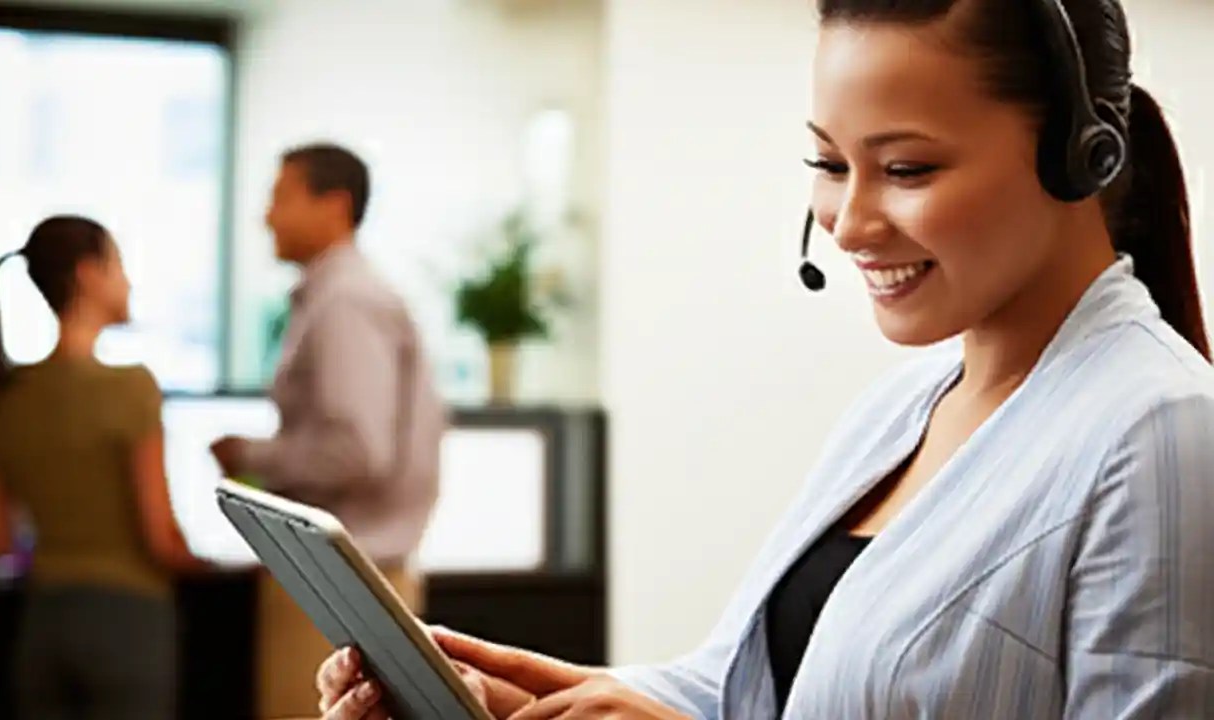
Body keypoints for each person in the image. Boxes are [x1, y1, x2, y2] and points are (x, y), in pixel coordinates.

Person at [317, 0, 1214, 717]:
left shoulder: (1164, 432)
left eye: (905, 170)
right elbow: (752, 690)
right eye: (828, 163)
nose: (849, 223)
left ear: (1080, 156)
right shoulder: (904, 409)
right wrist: (540, 696)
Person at [209, 143, 445, 717]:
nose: (267, 216)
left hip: (341, 586)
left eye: (281, 197)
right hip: (341, 583)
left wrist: (254, 455)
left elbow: (357, 451)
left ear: (334, 205)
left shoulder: (346, 301)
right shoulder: (335, 295)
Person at [0, 215, 206, 720]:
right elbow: (159, 537)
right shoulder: (130, 387)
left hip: (41, 627)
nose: (128, 282)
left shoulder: (5, 393)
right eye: (118, 265)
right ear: (88, 274)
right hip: (128, 622)